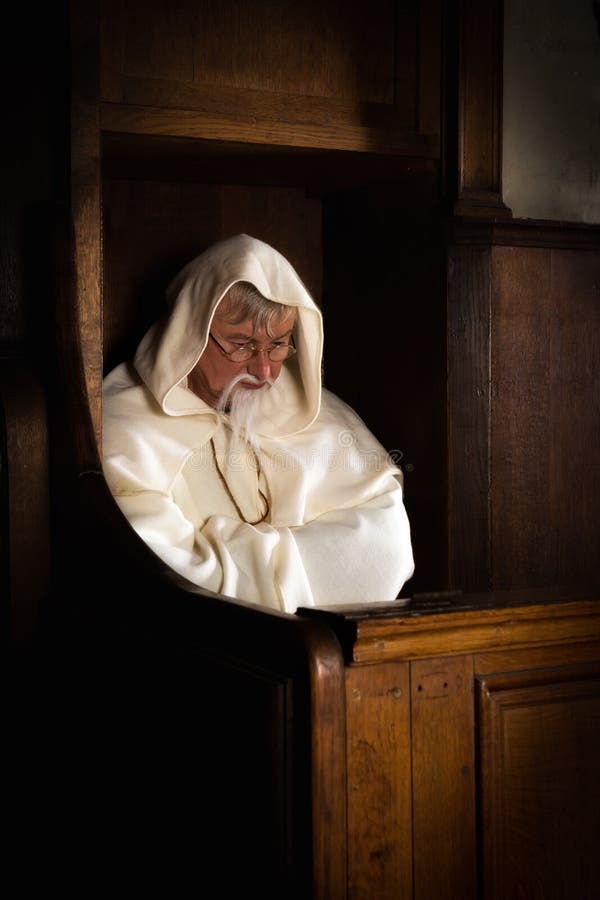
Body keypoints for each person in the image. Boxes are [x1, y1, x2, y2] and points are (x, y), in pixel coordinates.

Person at [102, 234, 414, 613]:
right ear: (191, 333)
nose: (265, 370)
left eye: (279, 345)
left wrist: (244, 563)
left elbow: (386, 545)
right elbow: (163, 566)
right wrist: (299, 565)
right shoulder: (127, 421)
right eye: (242, 345)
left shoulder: (308, 407)